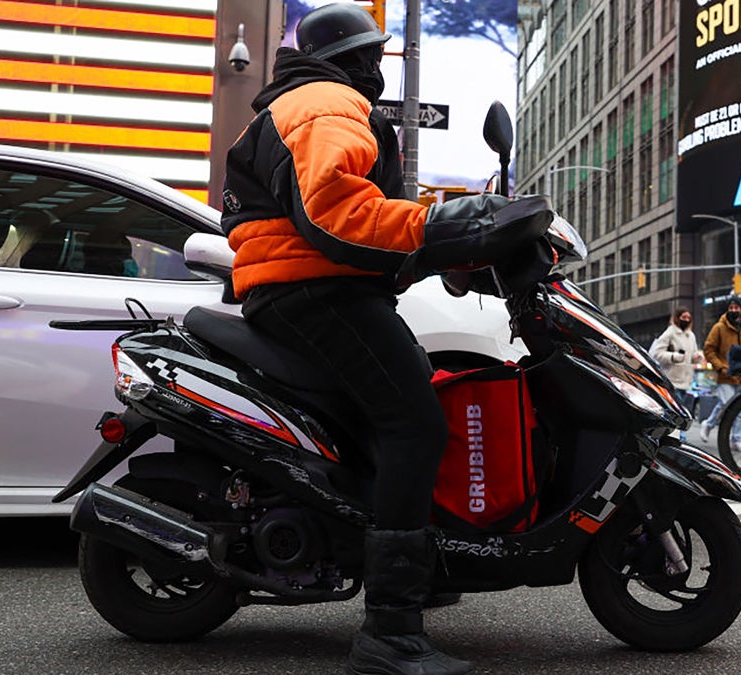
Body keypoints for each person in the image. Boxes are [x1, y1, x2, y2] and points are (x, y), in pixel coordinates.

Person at [221, 4, 511, 673]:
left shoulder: (310, 101)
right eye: (375, 57)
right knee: (414, 422)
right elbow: (335, 213)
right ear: (352, 59)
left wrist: (444, 239)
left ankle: (415, 565)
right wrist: (438, 226)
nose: (380, 70)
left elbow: (352, 222)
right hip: (312, 287)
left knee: (386, 421)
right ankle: (389, 631)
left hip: (309, 284)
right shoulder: (326, 102)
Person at [700, 297, 741, 451]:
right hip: (725, 375)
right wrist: (719, 367)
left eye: (736, 307)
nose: (733, 310)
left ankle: (736, 440)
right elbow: (708, 349)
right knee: (726, 404)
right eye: (731, 307)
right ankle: (709, 424)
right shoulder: (718, 327)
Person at [649, 307, 699, 439]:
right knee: (678, 411)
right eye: (683, 317)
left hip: (686, 380)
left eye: (688, 318)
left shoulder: (691, 335)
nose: (686, 320)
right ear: (677, 318)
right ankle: (680, 437)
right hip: (672, 379)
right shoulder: (670, 333)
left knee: (680, 411)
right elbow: (656, 354)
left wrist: (696, 356)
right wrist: (674, 357)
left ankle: (672, 436)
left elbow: (693, 352)